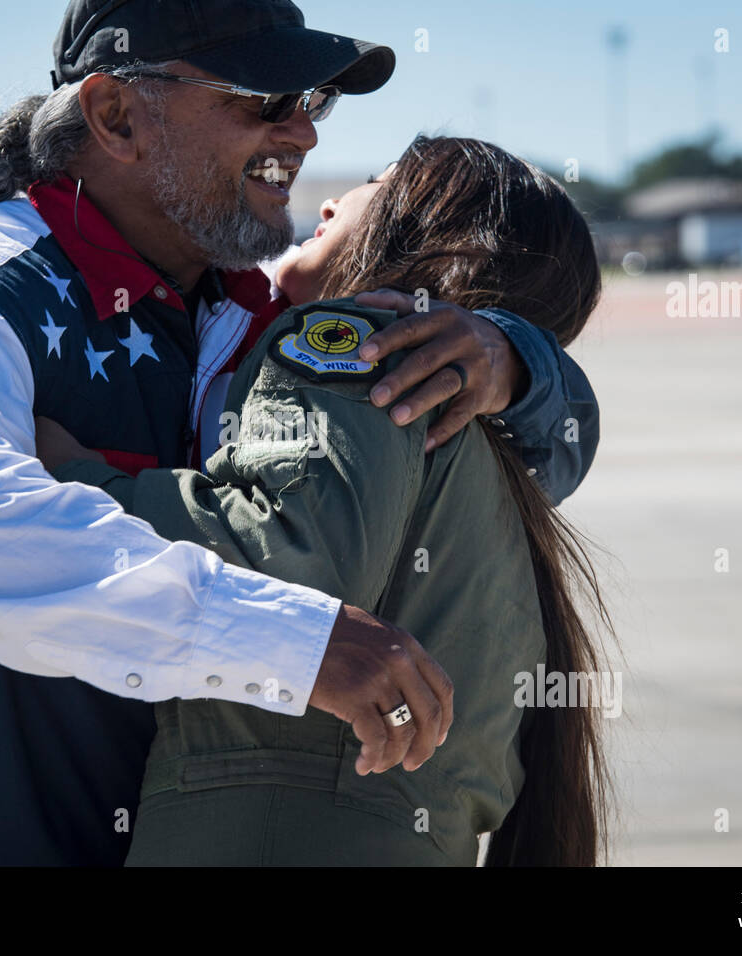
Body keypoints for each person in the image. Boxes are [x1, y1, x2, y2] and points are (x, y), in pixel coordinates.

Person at [0, 0, 600, 866]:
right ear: (117, 116)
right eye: (261, 98)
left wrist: (518, 360)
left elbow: (504, 461)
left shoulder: (253, 307)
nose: (304, 135)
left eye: (310, 102)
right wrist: (291, 643)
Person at [37, 136, 612, 865]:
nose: (334, 198)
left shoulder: (354, 344)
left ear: (436, 229)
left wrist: (71, 478)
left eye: (379, 181)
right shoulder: (497, 461)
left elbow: (287, 563)